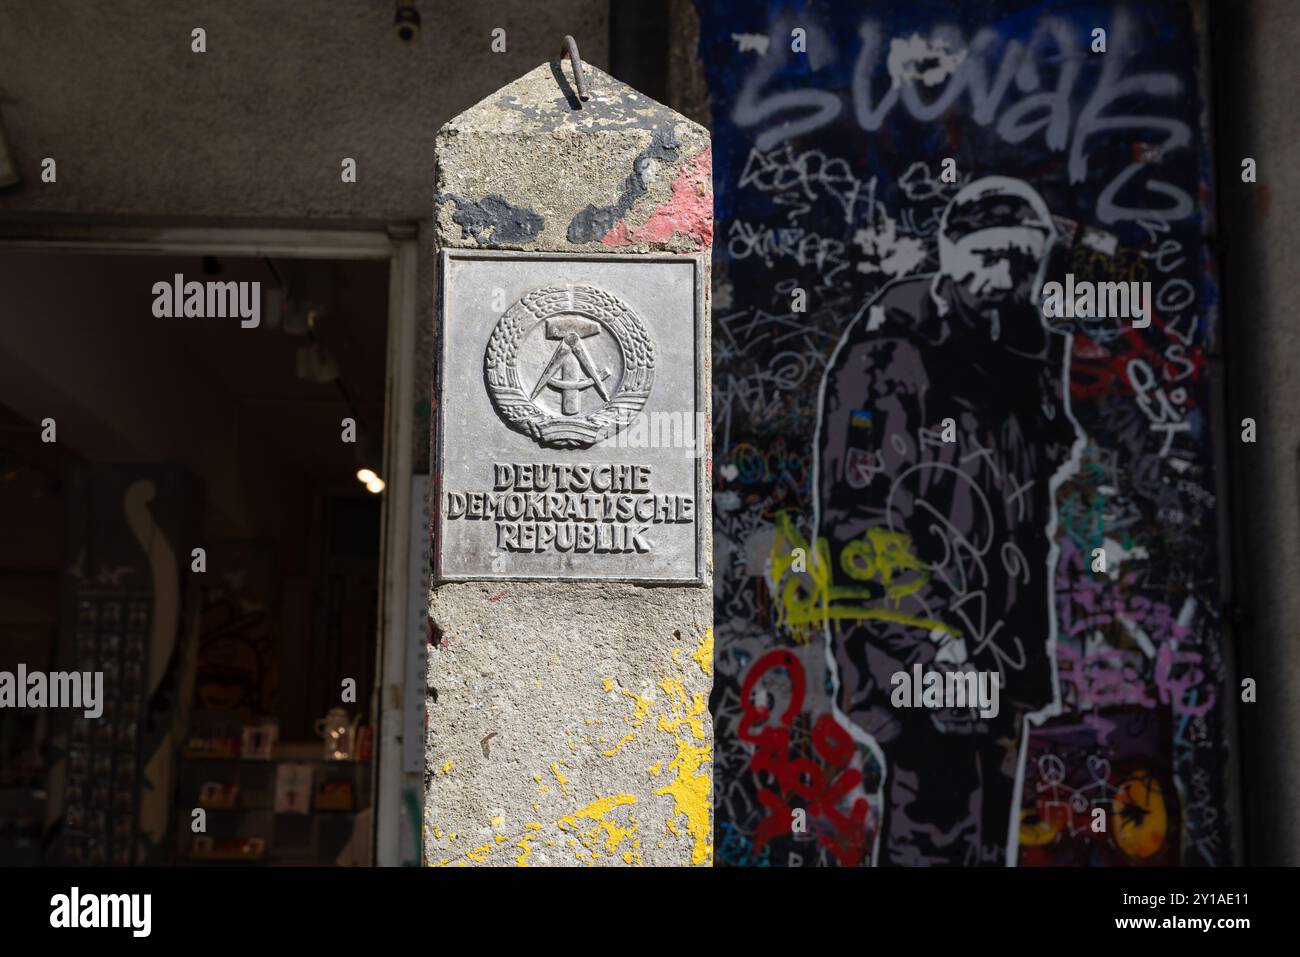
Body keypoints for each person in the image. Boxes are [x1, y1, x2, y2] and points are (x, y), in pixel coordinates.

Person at [813, 177, 1083, 865]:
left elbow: (1043, 467)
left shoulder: (1014, 349)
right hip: (924, 645)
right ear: (950, 254)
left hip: (1002, 642)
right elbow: (863, 519)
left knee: (989, 837)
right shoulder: (894, 354)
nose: (1006, 277)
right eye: (989, 257)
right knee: (935, 832)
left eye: (1024, 262)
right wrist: (924, 641)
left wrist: (1035, 362)